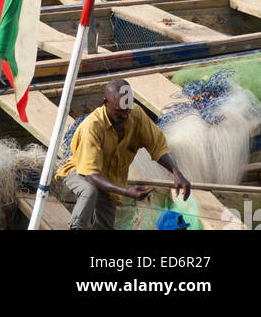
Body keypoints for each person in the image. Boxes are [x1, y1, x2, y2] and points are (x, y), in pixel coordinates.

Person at [56, 78, 190, 231]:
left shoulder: (136, 115)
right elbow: (91, 175)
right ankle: (75, 227)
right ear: (105, 102)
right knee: (90, 190)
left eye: (128, 110)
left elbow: (157, 146)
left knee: (105, 226)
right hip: (80, 172)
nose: (126, 115)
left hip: (110, 180)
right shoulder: (92, 127)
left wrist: (176, 172)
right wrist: (125, 191)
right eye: (119, 111)